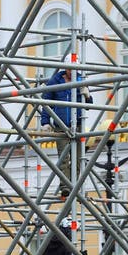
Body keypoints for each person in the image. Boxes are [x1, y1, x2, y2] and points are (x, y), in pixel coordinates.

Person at [40, 66, 92, 197]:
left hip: (78, 124)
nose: (72, 73)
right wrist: (45, 122)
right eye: (70, 70)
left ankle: (73, 184)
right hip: (60, 125)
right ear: (66, 69)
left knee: (78, 157)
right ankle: (65, 186)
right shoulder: (55, 81)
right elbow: (46, 103)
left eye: (75, 70)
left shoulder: (82, 80)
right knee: (63, 158)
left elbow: (89, 105)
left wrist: (87, 95)